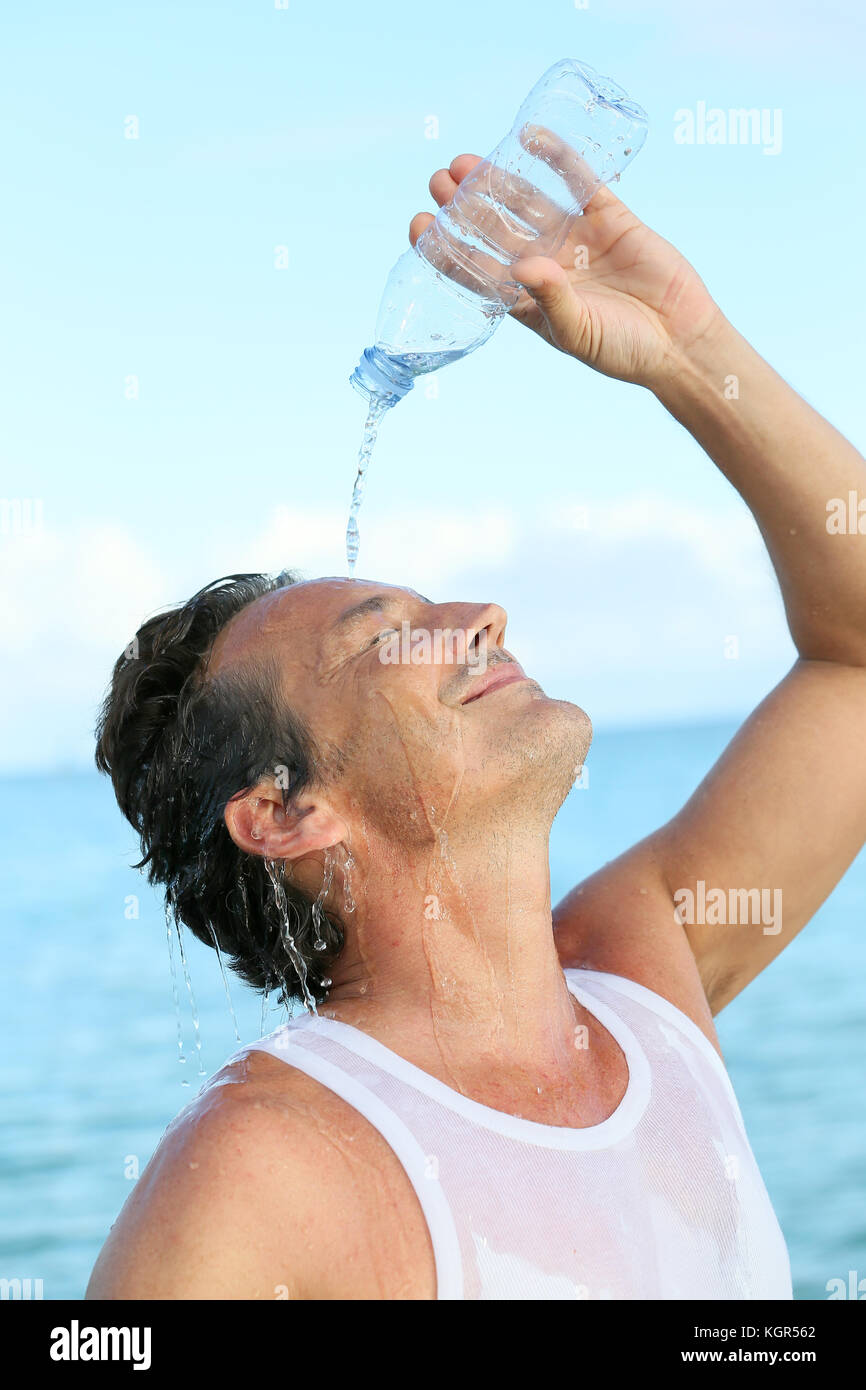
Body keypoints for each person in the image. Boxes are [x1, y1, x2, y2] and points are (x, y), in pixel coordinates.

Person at [86, 149, 866, 1301]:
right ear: (285, 810)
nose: (481, 616)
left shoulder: (642, 974)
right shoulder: (268, 1170)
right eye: (381, 635)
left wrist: (688, 352)